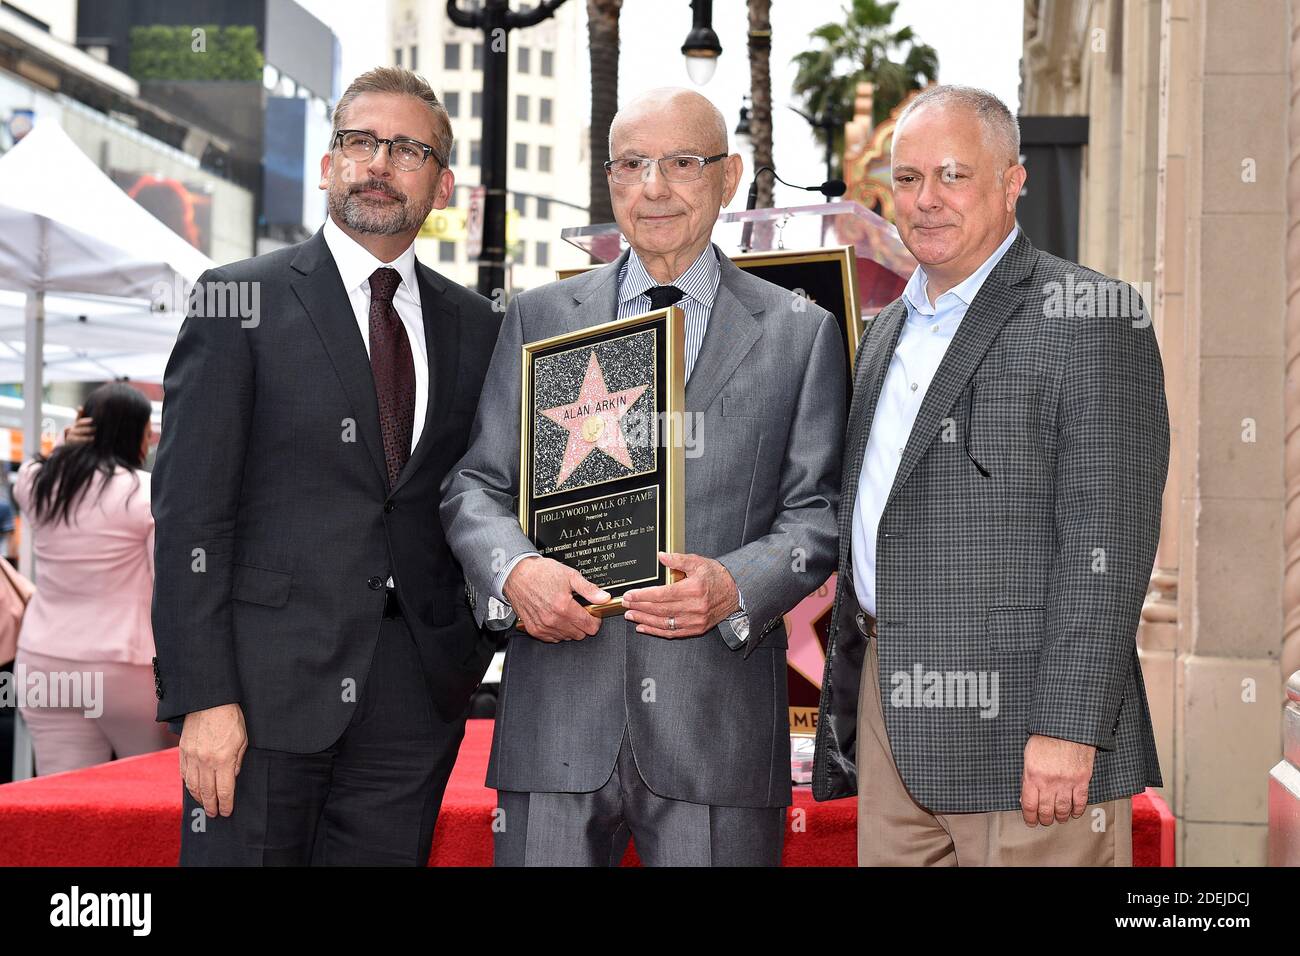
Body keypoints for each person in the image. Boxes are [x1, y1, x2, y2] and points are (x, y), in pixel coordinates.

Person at [441, 87, 846, 866]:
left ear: (728, 178)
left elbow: (821, 511)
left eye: (682, 163)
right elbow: (475, 486)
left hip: (716, 725)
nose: (653, 187)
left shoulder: (800, 332)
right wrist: (516, 570)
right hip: (556, 717)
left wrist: (735, 585)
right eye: (631, 165)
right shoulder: (542, 316)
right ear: (610, 181)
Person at [151, 67, 500, 866]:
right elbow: (189, 516)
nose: (379, 163)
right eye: (359, 141)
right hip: (260, 696)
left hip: (414, 703)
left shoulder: (476, 327)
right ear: (326, 164)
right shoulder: (236, 302)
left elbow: (482, 491)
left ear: (442, 185)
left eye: (407, 149)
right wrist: (204, 698)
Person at [813, 85, 1169, 866]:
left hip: (1025, 734)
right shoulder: (884, 333)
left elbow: (1106, 546)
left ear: (1013, 182)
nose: (926, 200)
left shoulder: (1093, 318)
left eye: (953, 175)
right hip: (889, 715)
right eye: (907, 179)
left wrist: (1071, 728)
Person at [14, 382, 173, 774]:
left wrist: (69, 446)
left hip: (43, 663)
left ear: (83, 425)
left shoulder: (37, 483)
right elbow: (166, 589)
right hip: (124, 666)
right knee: (148, 793)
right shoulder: (145, 493)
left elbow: (37, 467)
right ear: (139, 435)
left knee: (63, 804)